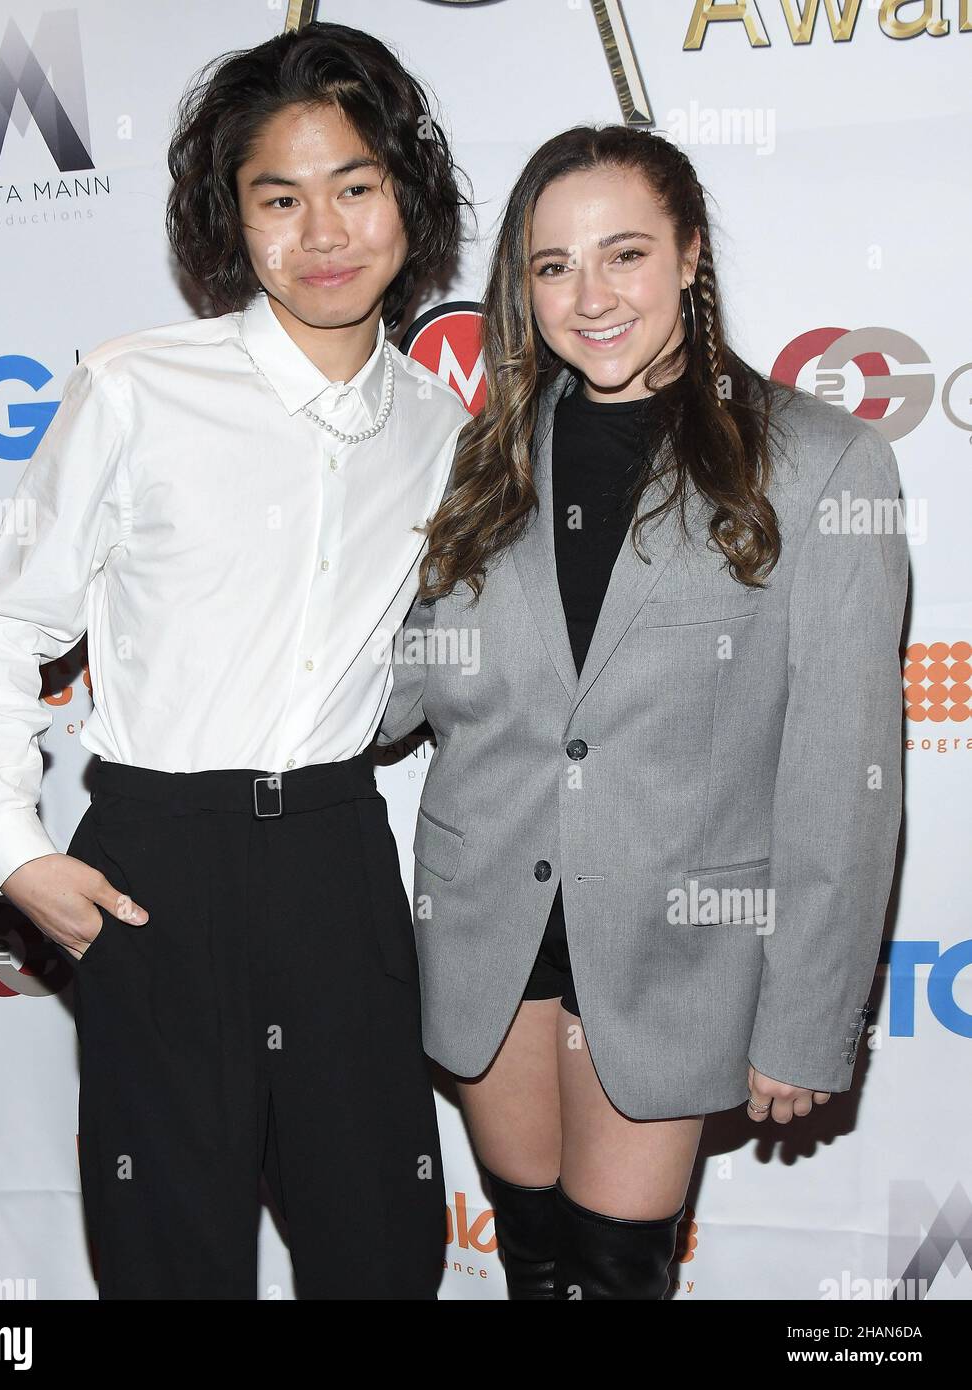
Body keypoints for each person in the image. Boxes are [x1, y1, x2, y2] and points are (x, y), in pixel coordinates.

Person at [0, 22, 471, 1300]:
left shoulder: (442, 428)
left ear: (405, 193)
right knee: (170, 1256)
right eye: (278, 198)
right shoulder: (132, 389)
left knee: (380, 1252)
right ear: (231, 220)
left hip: (338, 862)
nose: (324, 232)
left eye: (354, 185)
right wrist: (10, 844)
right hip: (154, 860)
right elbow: (4, 629)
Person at [377, 124, 908, 1301]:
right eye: (551, 266)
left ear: (688, 256)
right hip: (488, 929)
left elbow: (841, 774)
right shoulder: (477, 457)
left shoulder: (818, 464)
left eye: (623, 254)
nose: (588, 296)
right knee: (532, 1259)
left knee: (616, 1274)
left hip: (676, 943)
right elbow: (394, 693)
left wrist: (804, 1019)